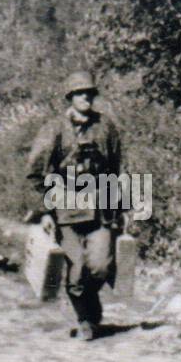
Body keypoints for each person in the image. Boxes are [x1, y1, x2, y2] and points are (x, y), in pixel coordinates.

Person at [25, 70, 126, 342]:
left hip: (100, 209)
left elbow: (117, 169)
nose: (86, 98)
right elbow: (36, 172)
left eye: (90, 93)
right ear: (70, 96)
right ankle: (85, 319)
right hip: (65, 211)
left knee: (101, 266)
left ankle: (90, 306)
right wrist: (45, 211)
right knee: (76, 271)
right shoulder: (54, 129)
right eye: (80, 93)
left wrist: (121, 207)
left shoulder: (106, 127)